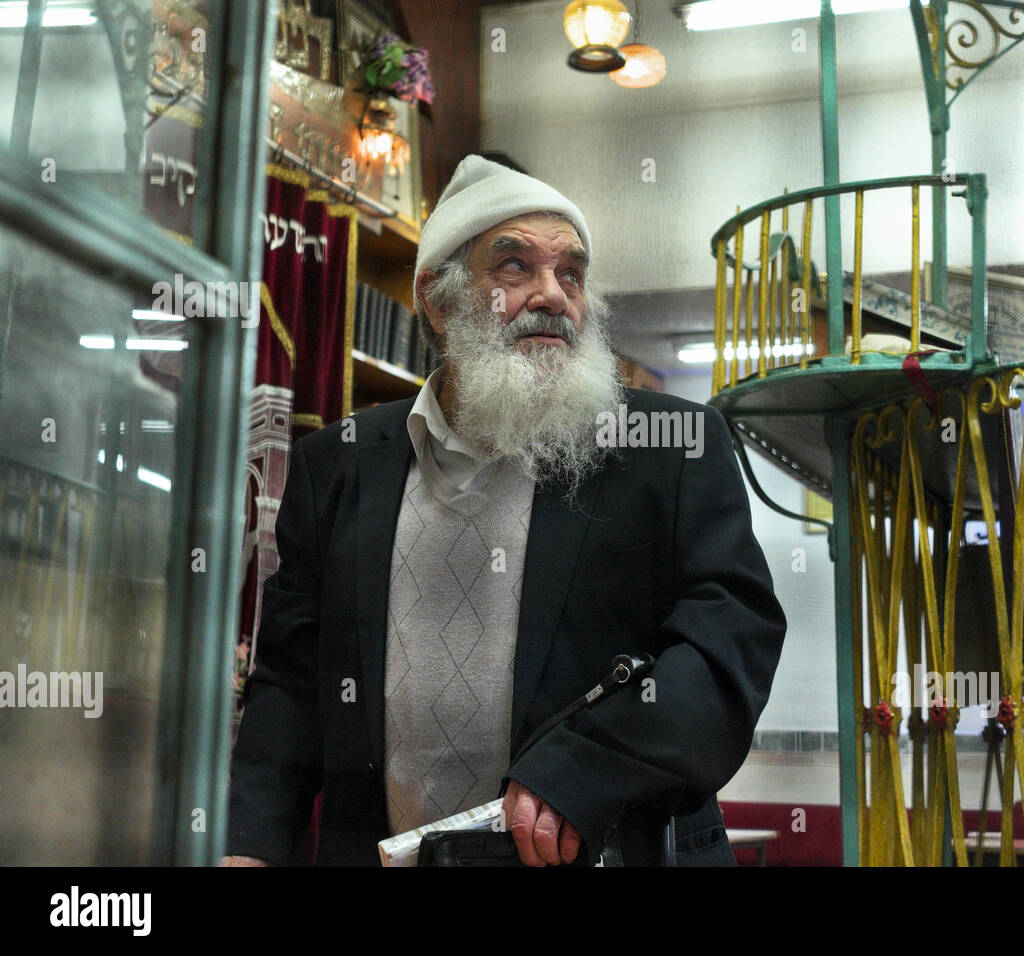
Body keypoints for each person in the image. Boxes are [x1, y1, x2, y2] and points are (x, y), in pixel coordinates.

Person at [223, 155, 786, 866]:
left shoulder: (668, 447)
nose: (553, 295)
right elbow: (290, 688)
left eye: (571, 273)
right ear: (438, 297)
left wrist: (581, 769)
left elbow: (729, 647)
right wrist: (249, 846)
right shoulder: (335, 466)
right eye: (515, 267)